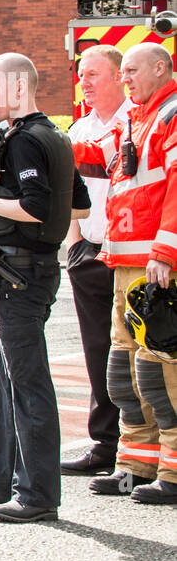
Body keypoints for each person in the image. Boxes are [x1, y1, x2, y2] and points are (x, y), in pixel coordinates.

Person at [0, 52, 91, 523]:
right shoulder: (54, 134)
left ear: (17, 87)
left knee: (27, 381)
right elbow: (77, 205)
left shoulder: (22, 140)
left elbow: (36, 207)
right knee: (6, 377)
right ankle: (0, 483)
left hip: (21, 275)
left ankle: (37, 495)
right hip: (28, 271)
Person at [70, 42, 177, 504]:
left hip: (154, 268)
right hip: (123, 264)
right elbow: (91, 156)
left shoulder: (170, 115)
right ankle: (135, 464)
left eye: (132, 70)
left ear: (160, 67)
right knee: (123, 370)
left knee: (159, 371)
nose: (126, 78)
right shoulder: (135, 119)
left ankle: (172, 472)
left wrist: (165, 254)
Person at [60, 45, 131, 477]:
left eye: (93, 75)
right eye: (81, 74)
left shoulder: (135, 123)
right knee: (96, 350)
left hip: (127, 254)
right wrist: (73, 246)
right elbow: (72, 195)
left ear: (120, 76)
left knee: (139, 353)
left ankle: (143, 444)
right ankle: (105, 443)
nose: (84, 82)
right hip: (89, 250)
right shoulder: (80, 128)